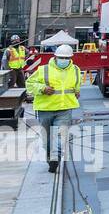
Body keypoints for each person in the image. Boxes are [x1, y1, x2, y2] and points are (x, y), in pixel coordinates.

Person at [25, 44, 83, 173]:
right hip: (45, 109)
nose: (64, 60)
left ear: (70, 58)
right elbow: (29, 84)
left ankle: (55, 158)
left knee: (60, 136)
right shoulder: (43, 69)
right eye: (61, 57)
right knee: (47, 138)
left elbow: (77, 85)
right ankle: (50, 159)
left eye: (66, 57)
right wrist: (42, 88)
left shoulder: (75, 70)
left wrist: (77, 92)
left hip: (65, 108)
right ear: (55, 57)